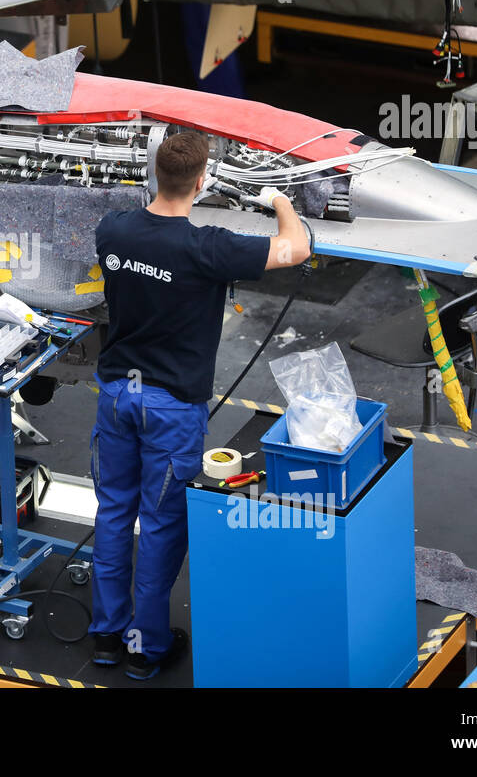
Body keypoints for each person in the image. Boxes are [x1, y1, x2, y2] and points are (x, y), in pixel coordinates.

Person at [89, 130, 311, 680]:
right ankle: (146, 648)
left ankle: (107, 637)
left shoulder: (113, 230)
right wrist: (277, 198)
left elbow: (145, 235)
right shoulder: (208, 247)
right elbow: (297, 246)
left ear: (153, 173)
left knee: (114, 512)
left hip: (118, 396)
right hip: (170, 409)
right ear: (204, 181)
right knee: (161, 523)